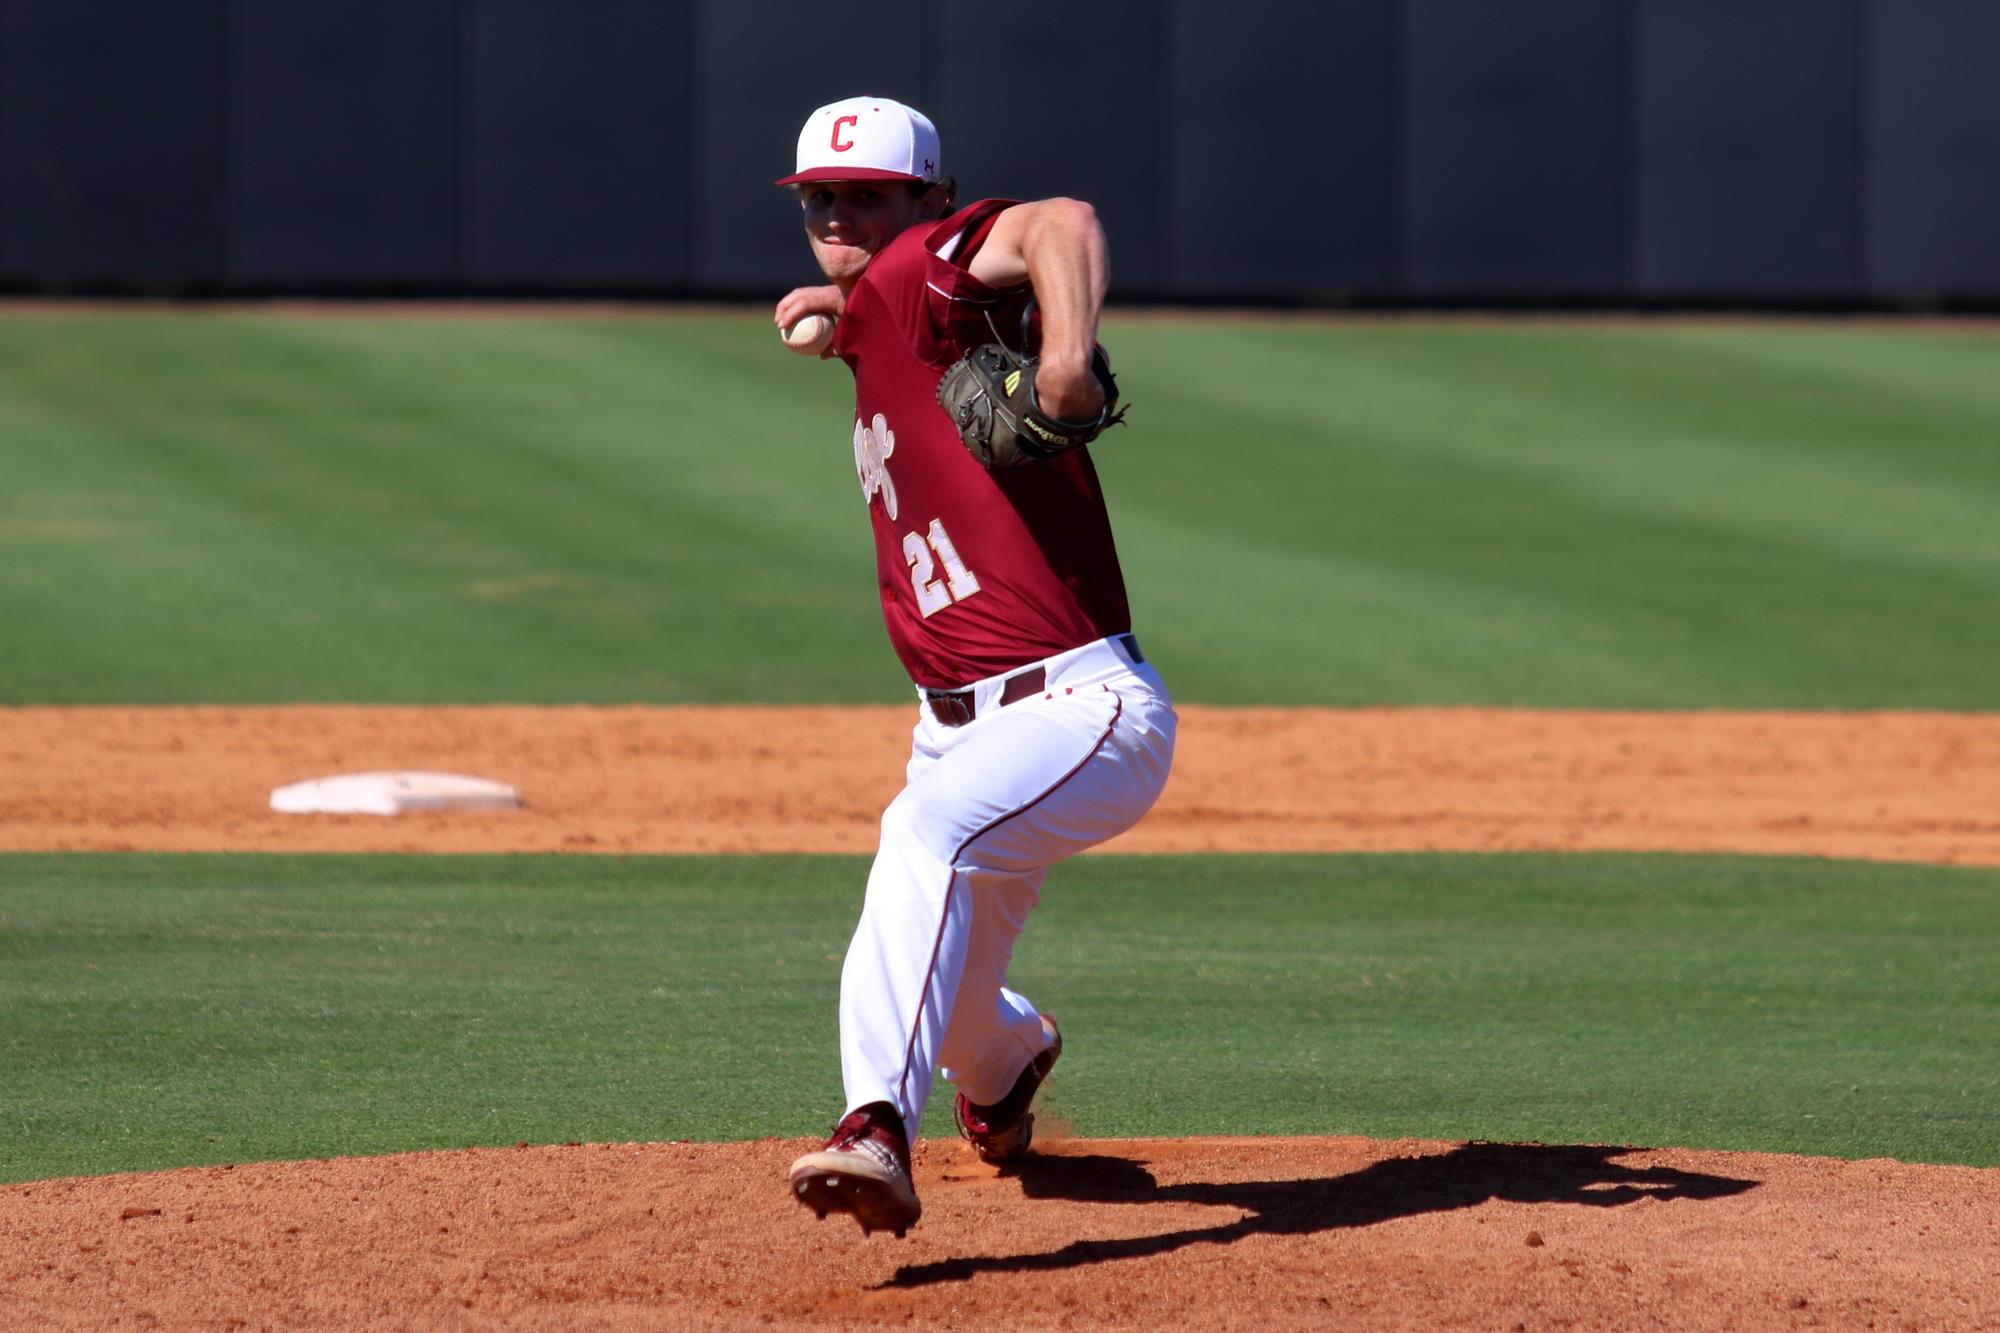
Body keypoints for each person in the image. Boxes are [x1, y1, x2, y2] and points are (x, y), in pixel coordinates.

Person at [772, 95, 1176, 1238]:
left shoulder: (926, 269)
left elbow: (1062, 221)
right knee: (944, 989)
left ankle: (872, 1127)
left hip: (1080, 706)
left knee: (921, 837)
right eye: (819, 198)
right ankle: (1003, 1061)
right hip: (953, 727)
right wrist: (837, 306)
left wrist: (1063, 368)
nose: (838, 214)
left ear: (930, 203)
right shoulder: (888, 296)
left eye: (868, 196)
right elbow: (885, 308)